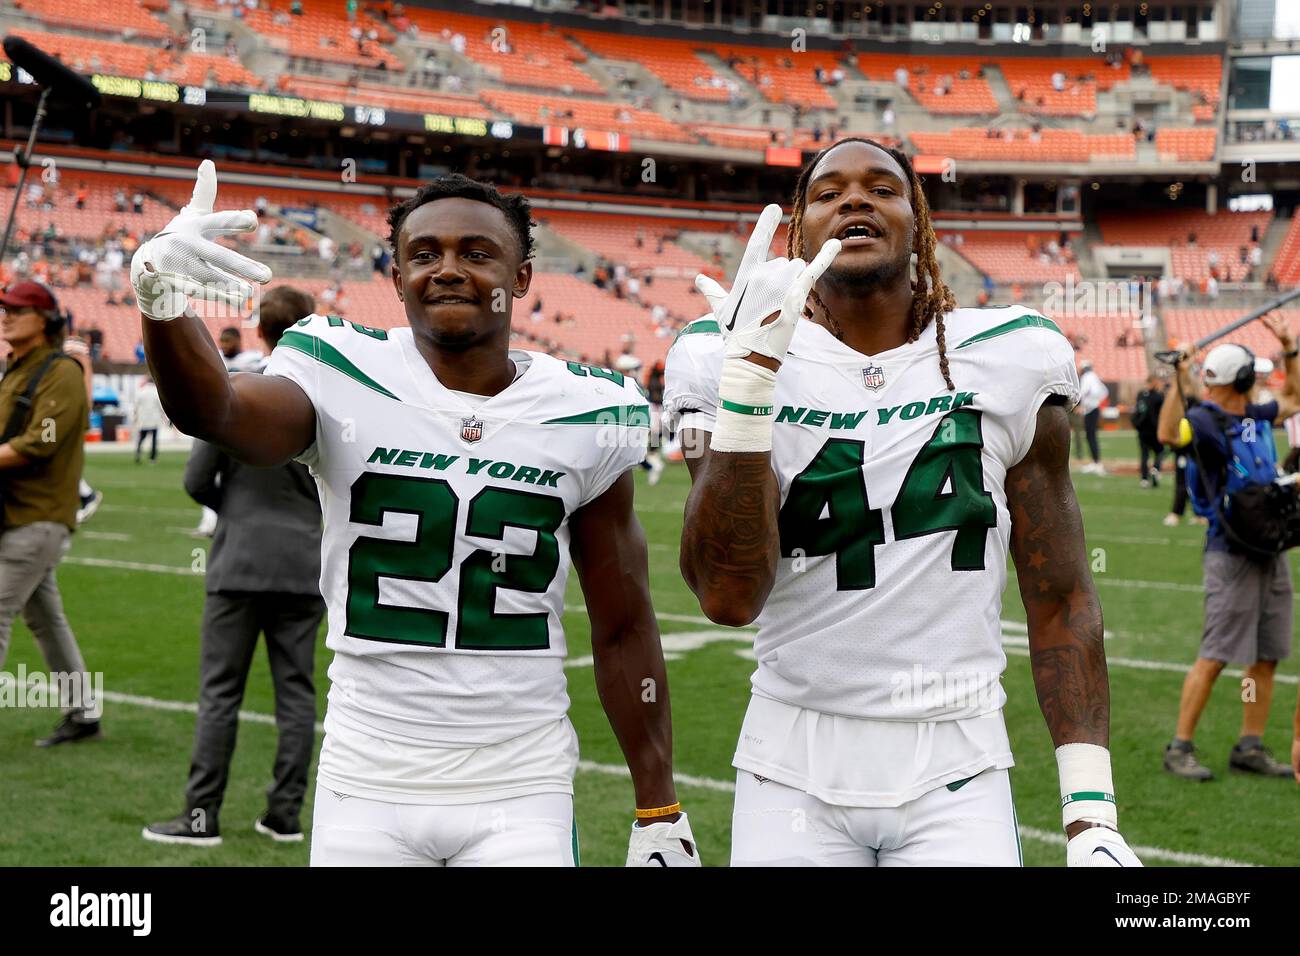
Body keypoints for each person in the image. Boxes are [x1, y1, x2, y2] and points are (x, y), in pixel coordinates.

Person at [133, 161, 698, 867]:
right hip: (367, 772)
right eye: (424, 253)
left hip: (519, 777)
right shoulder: (335, 364)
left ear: (521, 278)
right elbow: (214, 410)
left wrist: (658, 805)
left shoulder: (588, 409)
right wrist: (161, 299)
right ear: (396, 279)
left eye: (477, 252)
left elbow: (624, 624)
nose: (449, 268)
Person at [666, 138, 1140, 867]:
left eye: (881, 188)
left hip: (959, 759)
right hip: (789, 764)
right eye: (827, 194)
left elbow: (1062, 594)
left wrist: (1091, 813)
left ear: (918, 219)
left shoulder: (1011, 355)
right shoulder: (720, 352)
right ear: (796, 232)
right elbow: (728, 596)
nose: (854, 200)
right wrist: (752, 380)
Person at [144, 286, 326, 847]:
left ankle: (201, 818)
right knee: (296, 694)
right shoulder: (332, 403)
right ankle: (284, 816)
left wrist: (240, 517)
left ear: (262, 332)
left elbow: (197, 479)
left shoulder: (242, 389)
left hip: (240, 560)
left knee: (220, 693)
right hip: (305, 565)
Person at [1155, 323, 1300, 780]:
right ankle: (1180, 746)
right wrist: (1180, 379)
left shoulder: (1255, 414)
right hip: (1231, 552)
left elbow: (1296, 398)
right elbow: (1166, 433)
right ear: (1239, 380)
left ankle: (1250, 745)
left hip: (1269, 547)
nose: (1257, 382)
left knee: (1265, 654)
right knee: (1217, 653)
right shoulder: (1204, 421)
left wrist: (1290, 349)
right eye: (1250, 376)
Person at [0, 281, 100, 746]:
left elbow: (39, 441)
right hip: (16, 515)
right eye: (4, 309)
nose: (6, 316)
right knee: (45, 618)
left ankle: (83, 712)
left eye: (17, 310)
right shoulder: (16, 370)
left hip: (36, 516)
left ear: (44, 320)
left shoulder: (59, 372)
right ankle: (84, 712)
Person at [1130, 373, 1166, 487]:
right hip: (1155, 429)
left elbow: (1137, 410)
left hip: (1142, 430)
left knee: (1144, 454)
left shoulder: (1141, 394)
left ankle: (1144, 479)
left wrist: (1137, 424)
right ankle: (1155, 468)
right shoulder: (1159, 396)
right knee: (1160, 451)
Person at [1077, 359, 1107, 474]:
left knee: (1091, 436)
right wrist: (1096, 402)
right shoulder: (1094, 376)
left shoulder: (1087, 377)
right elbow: (1104, 392)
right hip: (1094, 408)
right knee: (1091, 436)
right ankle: (1095, 462)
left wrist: (1084, 404)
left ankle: (1096, 463)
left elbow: (1082, 392)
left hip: (1090, 410)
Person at [133, 376, 164, 464]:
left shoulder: (141, 391)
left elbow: (135, 406)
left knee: (142, 438)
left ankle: (138, 453)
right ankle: (152, 458)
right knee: (154, 439)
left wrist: (135, 417)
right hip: (154, 419)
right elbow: (161, 406)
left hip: (143, 419)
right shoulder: (156, 392)